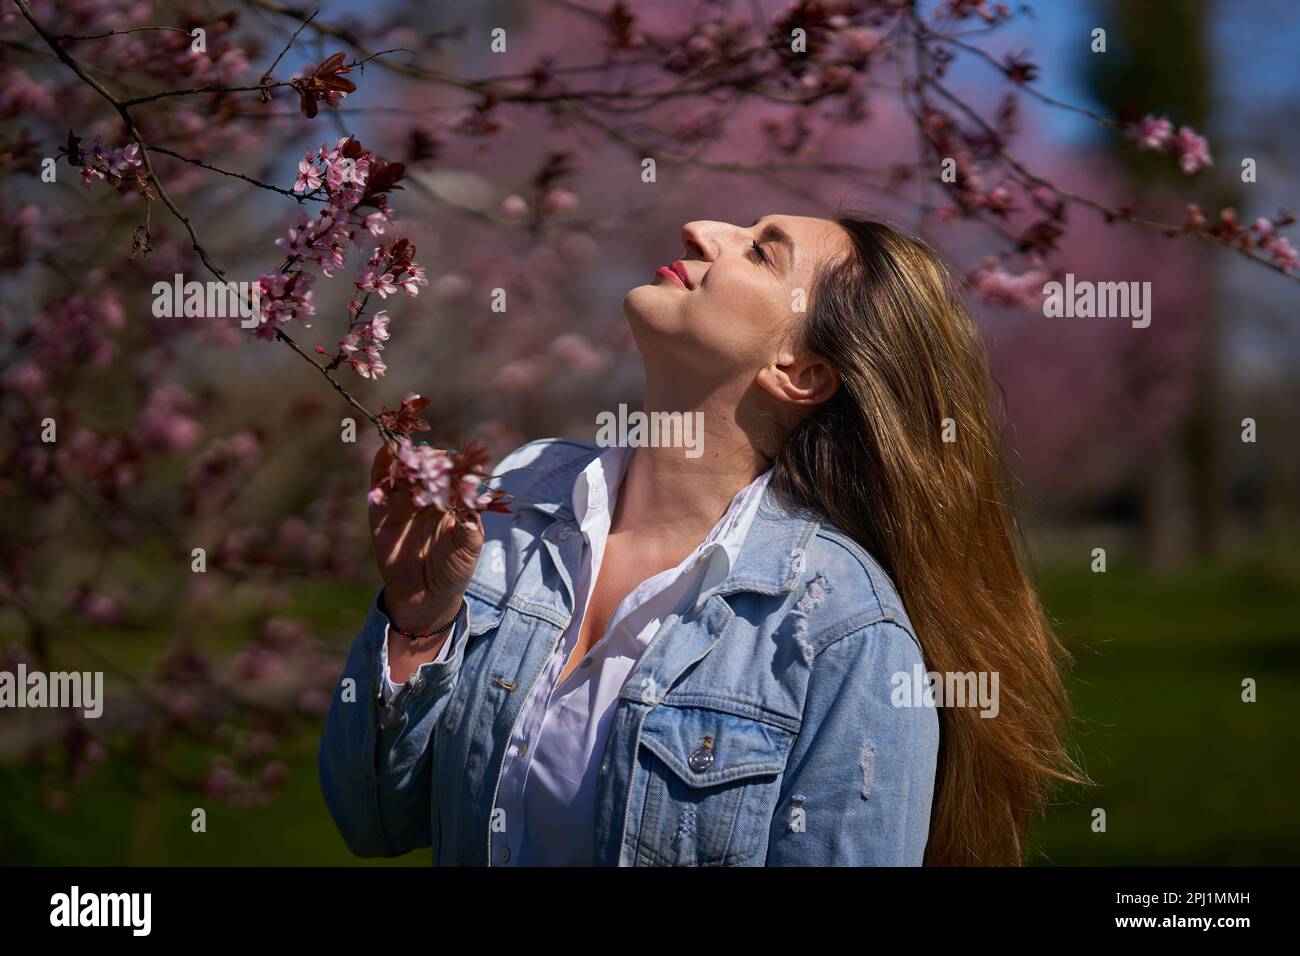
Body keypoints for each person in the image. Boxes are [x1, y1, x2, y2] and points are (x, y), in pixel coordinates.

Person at [319, 213, 1083, 866]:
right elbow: (374, 823)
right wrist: (418, 627)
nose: (701, 229)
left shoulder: (842, 634)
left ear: (800, 372)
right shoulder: (522, 494)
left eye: (760, 250)